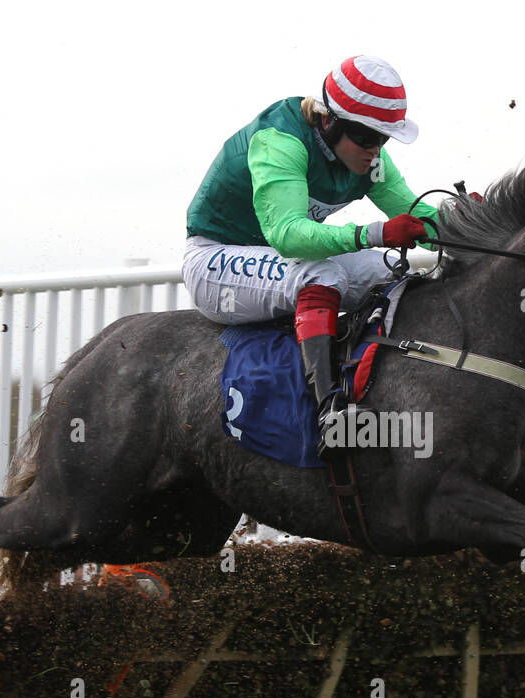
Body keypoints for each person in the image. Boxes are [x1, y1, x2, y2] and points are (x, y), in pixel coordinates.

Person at [182, 55, 438, 444]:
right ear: (329, 121)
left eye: (383, 139)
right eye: (367, 138)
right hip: (213, 260)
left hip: (280, 263)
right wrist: (373, 232)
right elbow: (287, 235)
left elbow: (417, 215)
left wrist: (474, 222)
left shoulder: (367, 157)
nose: (376, 150)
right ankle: (328, 410)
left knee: (391, 271)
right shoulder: (280, 140)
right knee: (323, 273)